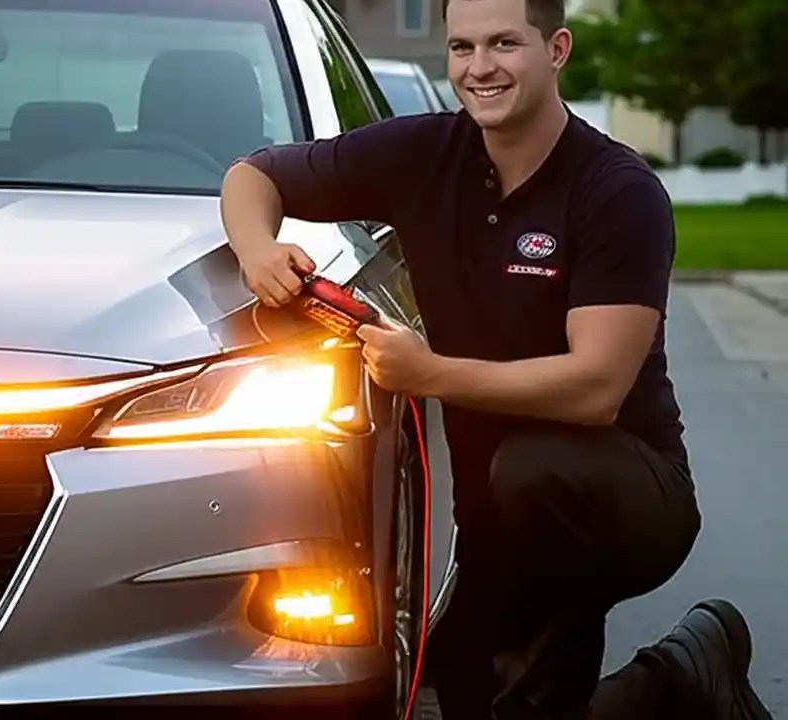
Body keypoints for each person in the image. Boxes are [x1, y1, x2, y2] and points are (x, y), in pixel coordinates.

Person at [219, 0, 773, 718]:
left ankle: (635, 669)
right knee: (461, 683)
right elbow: (251, 176)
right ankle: (683, 669)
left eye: (505, 44)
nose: (480, 68)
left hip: (623, 491)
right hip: (489, 513)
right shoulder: (421, 154)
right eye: (462, 48)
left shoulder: (618, 191)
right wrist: (258, 251)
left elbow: (596, 387)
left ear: (558, 48)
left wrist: (430, 374)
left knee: (534, 478)